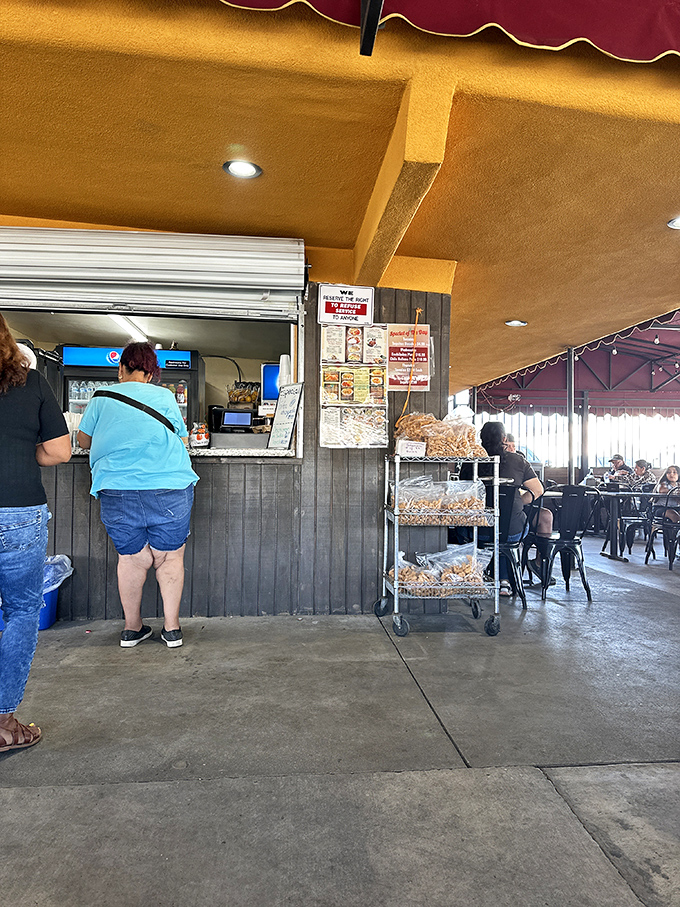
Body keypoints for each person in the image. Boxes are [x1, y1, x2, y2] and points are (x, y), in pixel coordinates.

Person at [77, 342, 199, 649]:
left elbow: (83, 440)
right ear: (151, 373)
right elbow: (181, 438)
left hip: (117, 488)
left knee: (130, 559)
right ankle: (172, 630)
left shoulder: (101, 397)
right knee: (170, 557)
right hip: (169, 485)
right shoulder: (165, 395)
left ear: (121, 368)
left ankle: (132, 629)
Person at [0, 314, 71, 753]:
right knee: (22, 609)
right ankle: (5, 721)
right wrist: (23, 453)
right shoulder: (30, 382)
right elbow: (60, 450)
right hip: (18, 510)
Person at [461, 421, 547, 595]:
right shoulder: (518, 460)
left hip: (478, 530)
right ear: (504, 439)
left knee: (483, 533)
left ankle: (478, 574)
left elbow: (463, 494)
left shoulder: (471, 461)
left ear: (481, 439)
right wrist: (516, 504)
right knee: (504, 533)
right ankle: (505, 580)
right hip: (513, 530)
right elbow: (538, 490)